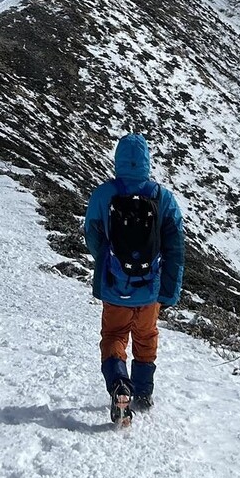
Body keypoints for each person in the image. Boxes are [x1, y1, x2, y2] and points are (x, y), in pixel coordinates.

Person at [83, 132, 185, 423]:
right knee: (146, 336)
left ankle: (118, 384)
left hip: (115, 287)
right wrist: (169, 290)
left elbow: (92, 234)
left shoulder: (104, 194)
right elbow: (176, 245)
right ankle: (142, 391)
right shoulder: (161, 197)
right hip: (150, 289)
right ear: (146, 162)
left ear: (118, 161)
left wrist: (107, 263)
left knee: (114, 336)